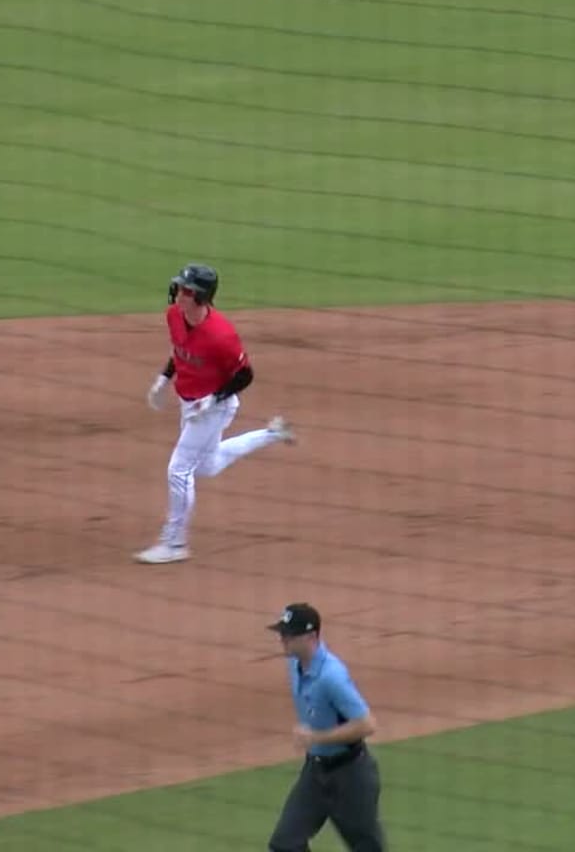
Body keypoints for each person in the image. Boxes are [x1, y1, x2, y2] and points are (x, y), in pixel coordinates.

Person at [133, 264, 297, 565]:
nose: (178, 293)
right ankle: (273, 432)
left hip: (213, 408)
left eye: (185, 290)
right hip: (189, 403)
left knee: (179, 470)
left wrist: (213, 399)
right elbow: (179, 350)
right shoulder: (174, 316)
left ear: (200, 296)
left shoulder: (221, 335)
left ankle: (174, 543)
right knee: (206, 467)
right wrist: (163, 379)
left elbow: (245, 375)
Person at [266, 603, 386, 852]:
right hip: (315, 772)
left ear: (311, 637)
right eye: (282, 633)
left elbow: (366, 724)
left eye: (289, 635)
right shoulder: (295, 663)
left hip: (351, 775)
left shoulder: (332, 676)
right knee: (285, 844)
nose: (283, 639)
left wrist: (317, 736)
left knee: (367, 847)